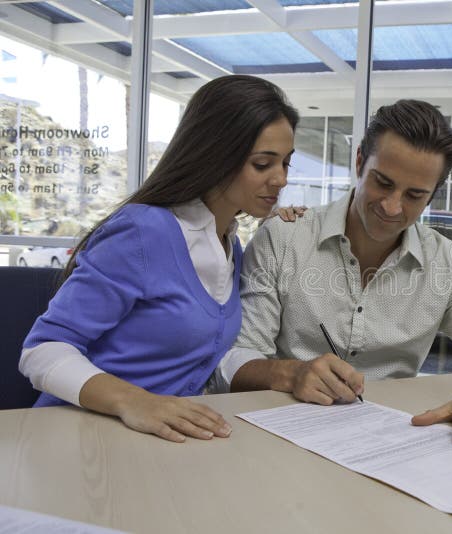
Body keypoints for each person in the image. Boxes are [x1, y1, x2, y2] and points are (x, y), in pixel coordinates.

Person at [215, 99, 452, 454]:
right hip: (282, 440)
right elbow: (234, 358)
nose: (392, 207)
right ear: (359, 163)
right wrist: (291, 374)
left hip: (388, 447)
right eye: (383, 183)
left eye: (414, 195)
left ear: (431, 197)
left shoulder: (447, 263)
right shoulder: (284, 237)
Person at [19, 75, 299, 443]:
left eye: (286, 164)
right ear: (215, 155)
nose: (280, 180)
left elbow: (207, 355)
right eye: (263, 164)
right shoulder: (143, 231)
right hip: (79, 440)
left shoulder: (230, 245)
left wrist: (285, 372)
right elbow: (41, 350)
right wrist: (135, 401)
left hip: (157, 445)